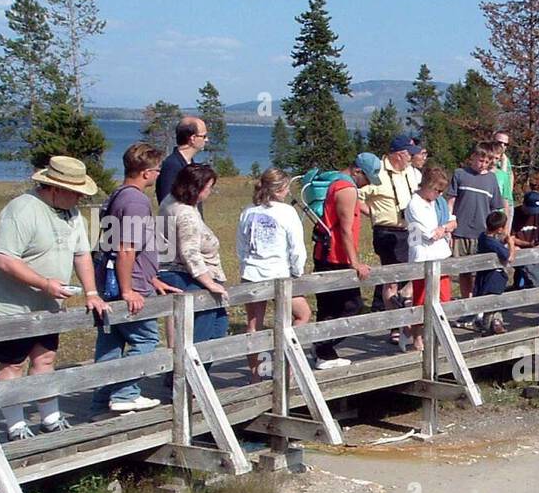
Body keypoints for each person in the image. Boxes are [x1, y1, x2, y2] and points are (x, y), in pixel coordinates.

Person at [0, 155, 109, 440]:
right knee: (13, 363)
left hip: (48, 303)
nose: (78, 198)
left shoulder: (72, 214)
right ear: (53, 188)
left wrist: (91, 292)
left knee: (45, 359)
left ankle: (50, 417)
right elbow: (5, 260)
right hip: (10, 303)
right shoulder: (22, 210)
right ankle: (15, 424)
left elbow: (81, 254)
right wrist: (44, 283)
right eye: (74, 192)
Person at [91, 143, 182, 415]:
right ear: (145, 173)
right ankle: (125, 393)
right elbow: (127, 248)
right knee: (145, 340)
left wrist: (152, 277)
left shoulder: (116, 195)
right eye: (156, 171)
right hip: (130, 286)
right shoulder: (135, 201)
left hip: (121, 281)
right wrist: (128, 288)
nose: (157, 176)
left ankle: (102, 399)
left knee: (112, 341)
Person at [237, 167, 312, 382]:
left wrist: (245, 265)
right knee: (301, 315)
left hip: (252, 273)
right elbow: (297, 247)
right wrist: (297, 271)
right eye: (286, 188)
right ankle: (285, 367)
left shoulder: (248, 210)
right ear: (280, 189)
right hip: (279, 274)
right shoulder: (287, 212)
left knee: (254, 325)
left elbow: (241, 245)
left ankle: (256, 376)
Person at [310, 153, 378, 370]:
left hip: (325, 253)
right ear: (357, 171)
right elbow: (346, 230)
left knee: (328, 307)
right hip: (335, 257)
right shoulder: (347, 189)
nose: (367, 184)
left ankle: (324, 352)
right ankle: (322, 347)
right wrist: (355, 262)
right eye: (367, 179)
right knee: (352, 306)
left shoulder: (338, 182)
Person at [158, 164, 230, 343]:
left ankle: (194, 369)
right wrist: (209, 283)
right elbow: (189, 252)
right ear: (195, 188)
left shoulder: (170, 200)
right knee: (204, 333)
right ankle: (191, 370)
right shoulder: (186, 214)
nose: (210, 192)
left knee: (218, 324)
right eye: (208, 188)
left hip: (171, 270)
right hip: (186, 276)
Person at [361, 134, 421, 318]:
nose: (412, 158)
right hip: (389, 230)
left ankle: (405, 315)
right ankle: (394, 322)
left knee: (417, 270)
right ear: (398, 154)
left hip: (413, 228)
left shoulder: (413, 172)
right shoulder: (378, 172)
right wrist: (374, 213)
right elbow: (356, 196)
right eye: (409, 154)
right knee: (393, 277)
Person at [446, 144, 506, 308]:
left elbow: (496, 208)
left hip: (482, 233)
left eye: (487, 162)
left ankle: (480, 305)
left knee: (482, 271)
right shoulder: (460, 174)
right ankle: (468, 304)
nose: (483, 165)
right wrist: (449, 227)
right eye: (480, 160)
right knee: (464, 272)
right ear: (472, 157)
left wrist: (497, 232)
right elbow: (451, 201)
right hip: (461, 231)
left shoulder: (491, 179)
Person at [404, 165, 456, 352]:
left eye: (442, 191)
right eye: (437, 190)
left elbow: (452, 221)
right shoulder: (414, 204)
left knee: (443, 298)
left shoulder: (439, 202)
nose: (439, 194)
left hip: (440, 255)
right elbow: (429, 233)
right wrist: (444, 228)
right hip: (422, 256)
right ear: (427, 185)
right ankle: (417, 337)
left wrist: (445, 227)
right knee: (421, 299)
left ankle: (437, 335)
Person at [475, 209, 515, 334]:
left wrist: (502, 242)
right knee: (492, 303)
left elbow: (496, 246)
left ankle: (496, 324)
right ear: (499, 229)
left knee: (493, 305)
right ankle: (489, 328)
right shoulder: (492, 242)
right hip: (493, 278)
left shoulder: (483, 237)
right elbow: (509, 257)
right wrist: (511, 244)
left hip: (485, 277)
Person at [156, 117, 208, 206]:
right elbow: (167, 203)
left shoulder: (189, 163)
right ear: (193, 138)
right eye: (204, 136)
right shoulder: (172, 165)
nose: (206, 140)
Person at [511, 190, 539, 290]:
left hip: (537, 250)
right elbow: (512, 238)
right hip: (520, 249)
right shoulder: (515, 214)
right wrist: (528, 244)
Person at [490, 131, 514, 212]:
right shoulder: (488, 158)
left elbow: (510, 176)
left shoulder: (506, 159)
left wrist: (507, 196)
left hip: (507, 203)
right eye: (500, 142)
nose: (502, 146)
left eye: (505, 144)